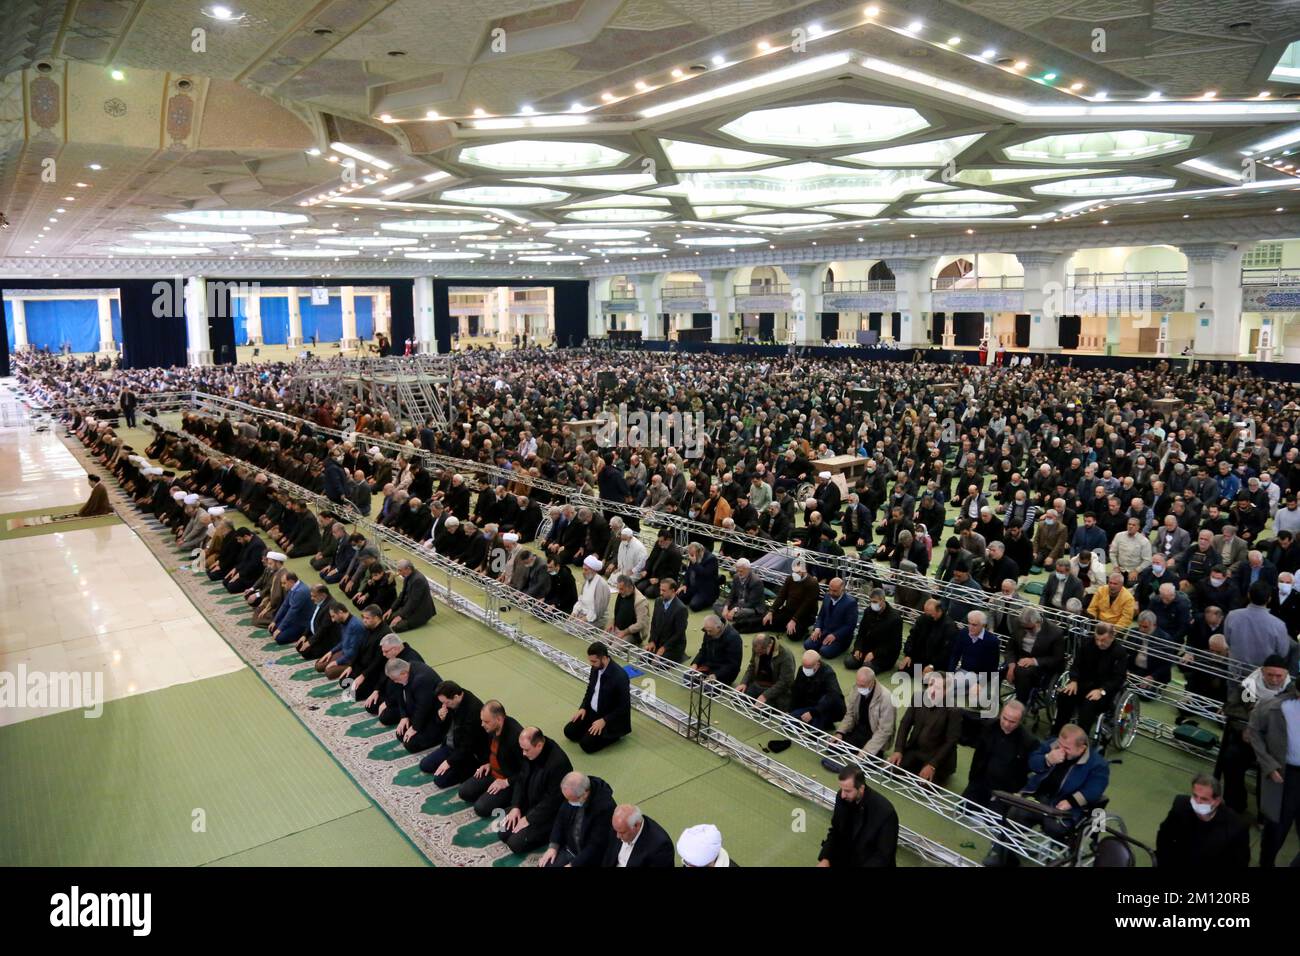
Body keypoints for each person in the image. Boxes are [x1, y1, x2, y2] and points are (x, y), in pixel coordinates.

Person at [986, 724, 1109, 867]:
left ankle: (1061, 858)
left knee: (1055, 828)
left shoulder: (1097, 765)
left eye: (1067, 749)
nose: (1061, 750)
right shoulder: (1052, 744)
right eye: (1060, 745)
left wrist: (1071, 801)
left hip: (1066, 806)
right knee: (1016, 814)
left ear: (1082, 748)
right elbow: (1032, 762)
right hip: (1038, 796)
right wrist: (1047, 759)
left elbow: (1095, 789)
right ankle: (1004, 857)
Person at [497, 727, 573, 857]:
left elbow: (553, 801)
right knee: (503, 831)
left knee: (515, 843)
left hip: (548, 815)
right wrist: (516, 806)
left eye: (526, 750)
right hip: (530, 804)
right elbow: (521, 780)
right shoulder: (529, 754)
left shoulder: (558, 764)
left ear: (539, 745)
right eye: (522, 749)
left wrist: (529, 818)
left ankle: (549, 834)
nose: (523, 754)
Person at [1249, 674, 1300, 867]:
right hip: (1285, 775)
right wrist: (1268, 764)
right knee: (1276, 830)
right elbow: (1254, 730)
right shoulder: (1274, 706)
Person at [1155, 774, 1250, 869]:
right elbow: (1164, 837)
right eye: (1195, 796)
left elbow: (1239, 863)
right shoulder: (1180, 805)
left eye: (1204, 799)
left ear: (1216, 801)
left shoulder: (1236, 827)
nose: (1197, 802)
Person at [964, 701, 1037, 815]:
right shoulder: (988, 727)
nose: (1006, 724)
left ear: (1020, 721)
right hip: (980, 782)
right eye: (1004, 718)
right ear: (1000, 714)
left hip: (1005, 792)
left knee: (993, 824)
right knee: (963, 810)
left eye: (1012, 722)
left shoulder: (1028, 742)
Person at [889, 672, 962, 785]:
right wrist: (898, 749)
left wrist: (932, 765)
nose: (931, 690)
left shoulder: (953, 711)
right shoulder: (918, 697)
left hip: (936, 757)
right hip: (915, 749)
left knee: (924, 787)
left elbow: (951, 741)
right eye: (930, 685)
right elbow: (905, 724)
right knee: (891, 771)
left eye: (937, 688)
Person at [816, 768, 899, 867]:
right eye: (841, 789)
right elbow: (836, 831)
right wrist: (826, 858)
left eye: (847, 791)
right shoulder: (842, 798)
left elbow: (883, 856)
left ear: (861, 788)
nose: (842, 795)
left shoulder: (886, 812)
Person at [456, 699, 525, 819]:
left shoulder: (516, 738)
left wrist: (506, 782)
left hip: (507, 780)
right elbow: (492, 752)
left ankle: (509, 800)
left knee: (481, 808)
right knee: (464, 792)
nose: (482, 724)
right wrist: (488, 763)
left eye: (486, 721)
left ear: (498, 719)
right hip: (493, 771)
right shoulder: (491, 729)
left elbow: (526, 771)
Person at [821, 667, 897, 771]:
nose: (859, 687)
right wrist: (840, 732)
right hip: (858, 731)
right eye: (858, 684)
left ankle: (868, 755)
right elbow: (850, 714)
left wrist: (867, 751)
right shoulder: (856, 689)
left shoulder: (887, 698)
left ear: (872, 682)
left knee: (865, 765)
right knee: (832, 747)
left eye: (862, 685)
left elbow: (885, 731)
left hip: (875, 737)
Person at [418, 680, 489, 788]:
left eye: (446, 702)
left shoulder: (473, 711)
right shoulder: (452, 702)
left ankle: (470, 770)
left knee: (440, 781)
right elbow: (444, 728)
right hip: (451, 745)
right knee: (425, 765)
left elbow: (468, 745)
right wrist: (441, 718)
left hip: (468, 753)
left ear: (456, 697)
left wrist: (449, 762)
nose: (444, 705)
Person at [564, 641, 631, 753]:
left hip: (609, 719)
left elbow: (624, 707)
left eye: (594, 661)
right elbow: (590, 690)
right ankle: (590, 729)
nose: (591, 664)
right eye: (590, 660)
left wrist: (604, 720)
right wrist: (583, 707)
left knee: (586, 745)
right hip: (593, 712)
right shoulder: (595, 668)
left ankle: (614, 736)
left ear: (604, 658)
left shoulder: (620, 676)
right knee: (569, 732)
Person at [539, 772, 616, 867]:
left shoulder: (605, 807)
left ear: (585, 794)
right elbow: (560, 818)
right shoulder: (572, 793)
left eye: (571, 799)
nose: (569, 802)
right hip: (570, 849)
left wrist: (573, 865)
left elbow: (596, 845)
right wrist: (553, 846)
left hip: (590, 857)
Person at [1224, 580, 1293, 674]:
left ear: (1249, 595)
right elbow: (1282, 652)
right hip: (1261, 675)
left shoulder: (1232, 616)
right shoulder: (1278, 624)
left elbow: (1228, 640)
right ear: (1269, 599)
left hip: (1236, 672)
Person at [388, 657, 443, 753]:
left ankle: (441, 736)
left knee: (411, 744)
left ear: (403, 673)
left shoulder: (421, 679)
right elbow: (399, 691)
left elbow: (423, 707)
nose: (395, 682)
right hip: (420, 711)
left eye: (395, 679)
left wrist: (414, 728)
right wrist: (404, 716)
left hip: (436, 715)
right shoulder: (409, 666)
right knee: (401, 734)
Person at [845, 588, 903, 672]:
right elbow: (861, 633)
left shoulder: (895, 618)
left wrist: (875, 654)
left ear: (883, 600)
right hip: (868, 647)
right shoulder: (868, 611)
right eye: (871, 601)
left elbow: (894, 645)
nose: (872, 604)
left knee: (866, 668)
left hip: (885, 654)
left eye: (875, 602)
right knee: (849, 662)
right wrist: (858, 648)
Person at [602, 804, 674, 867]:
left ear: (636, 825)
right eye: (616, 831)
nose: (617, 836)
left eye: (622, 833)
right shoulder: (619, 825)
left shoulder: (660, 848)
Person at [737, 634, 797, 710]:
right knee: (737, 698)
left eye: (760, 653)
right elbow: (752, 666)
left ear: (769, 646)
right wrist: (744, 682)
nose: (758, 654)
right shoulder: (757, 648)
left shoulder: (785, 655)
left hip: (775, 688)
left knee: (762, 710)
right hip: (758, 684)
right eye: (756, 652)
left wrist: (765, 695)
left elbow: (785, 682)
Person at [805, 577, 859, 659]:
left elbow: (850, 625)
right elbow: (821, 615)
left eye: (835, 591)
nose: (831, 593)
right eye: (830, 589)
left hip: (840, 637)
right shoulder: (827, 596)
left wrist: (835, 635)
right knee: (807, 645)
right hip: (824, 631)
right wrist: (817, 628)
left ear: (842, 590)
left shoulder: (851, 603)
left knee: (824, 652)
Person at [688, 615, 743, 687]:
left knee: (708, 688)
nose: (707, 634)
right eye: (706, 630)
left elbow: (733, 664)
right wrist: (695, 663)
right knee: (688, 678)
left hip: (725, 670)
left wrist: (716, 675)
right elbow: (703, 650)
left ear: (719, 627)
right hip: (710, 665)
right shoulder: (709, 630)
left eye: (710, 631)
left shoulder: (734, 638)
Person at [386, 559, 436, 633]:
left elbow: (413, 602)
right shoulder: (408, 576)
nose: (399, 573)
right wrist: (391, 608)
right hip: (409, 606)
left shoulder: (418, 579)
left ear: (408, 569)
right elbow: (402, 594)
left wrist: (400, 616)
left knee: (396, 627)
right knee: (388, 618)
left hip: (420, 611)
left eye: (400, 570)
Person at [646, 578, 688, 661]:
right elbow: (654, 623)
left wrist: (665, 647)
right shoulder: (658, 601)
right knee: (643, 657)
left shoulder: (681, 609)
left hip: (673, 646)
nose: (660, 593)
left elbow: (679, 633)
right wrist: (652, 640)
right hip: (659, 641)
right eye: (660, 590)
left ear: (672, 590)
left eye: (664, 590)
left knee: (656, 664)